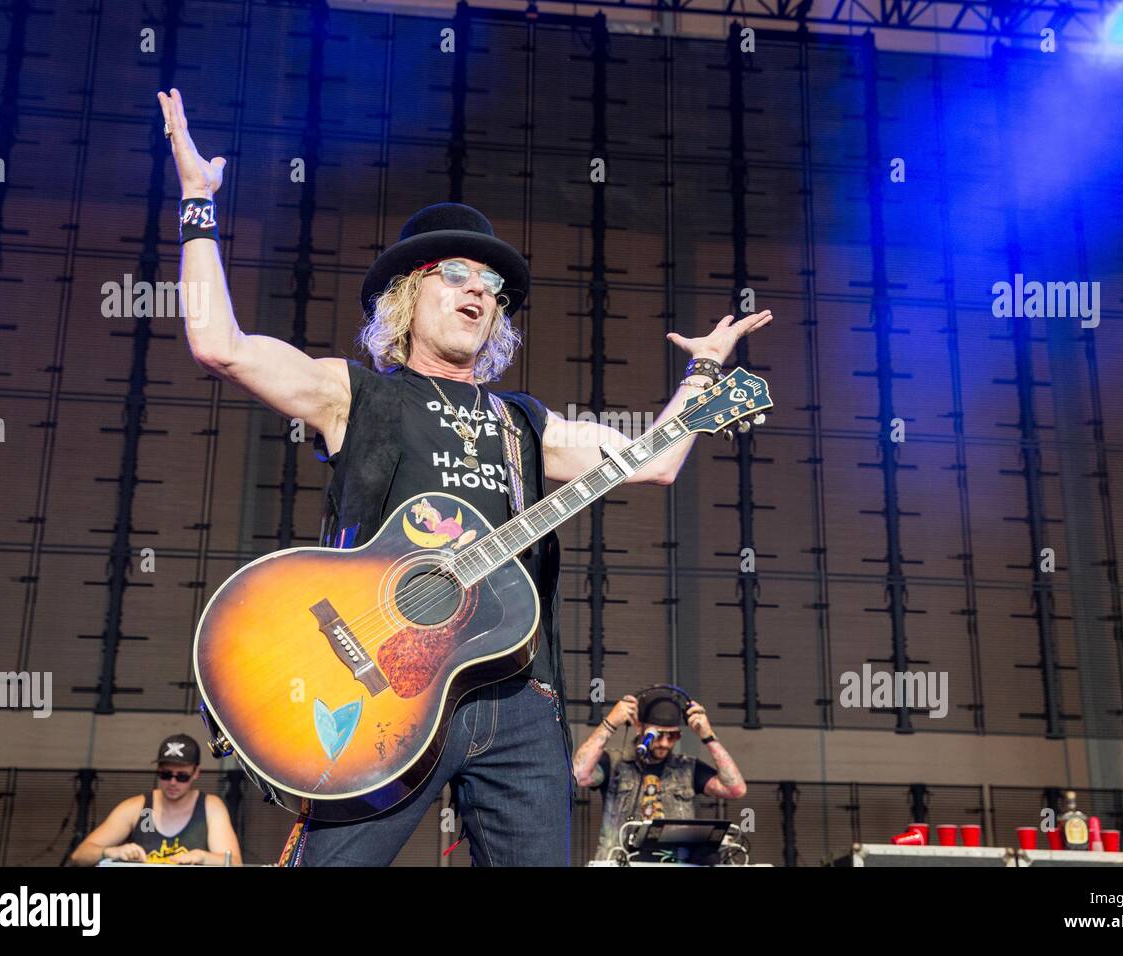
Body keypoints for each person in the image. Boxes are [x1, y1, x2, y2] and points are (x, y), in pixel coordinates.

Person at [156, 87, 771, 866]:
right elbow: (220, 343)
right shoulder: (357, 392)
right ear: (409, 295)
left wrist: (704, 375)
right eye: (456, 273)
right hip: (380, 691)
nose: (479, 289)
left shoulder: (526, 422)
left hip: (519, 700)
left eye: (492, 284)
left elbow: (656, 462)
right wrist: (197, 202)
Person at [572, 688, 747, 861]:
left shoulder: (688, 768)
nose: (664, 743)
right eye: (657, 735)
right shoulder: (614, 762)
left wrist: (708, 737)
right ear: (639, 727)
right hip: (620, 860)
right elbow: (578, 775)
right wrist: (610, 723)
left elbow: (735, 789)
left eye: (673, 736)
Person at [69, 734, 242, 865]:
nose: (173, 782)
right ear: (158, 770)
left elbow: (234, 862)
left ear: (196, 772)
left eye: (182, 776)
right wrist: (111, 851)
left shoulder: (210, 807)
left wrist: (202, 857)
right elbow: (80, 855)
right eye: (166, 775)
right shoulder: (138, 807)